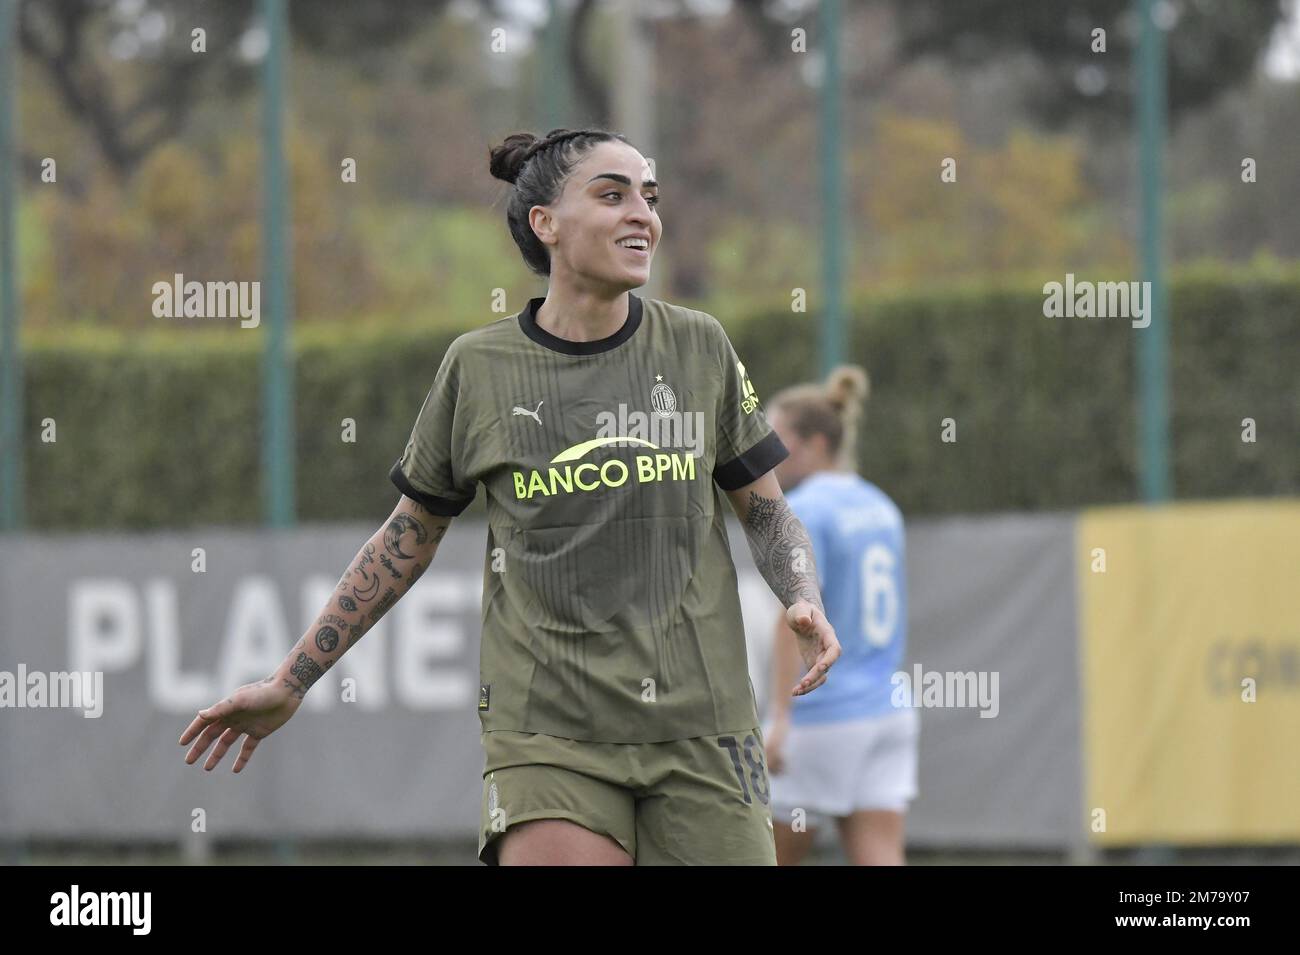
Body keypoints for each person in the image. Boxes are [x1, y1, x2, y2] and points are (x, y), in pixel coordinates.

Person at [178, 127, 841, 866]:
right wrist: (291, 677)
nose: (642, 215)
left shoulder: (700, 347)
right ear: (545, 224)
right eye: (612, 194)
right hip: (549, 730)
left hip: (704, 724)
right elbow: (407, 538)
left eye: (649, 199)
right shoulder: (479, 368)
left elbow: (768, 509)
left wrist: (801, 592)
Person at [762, 366, 917, 865]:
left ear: (811, 444)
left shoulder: (805, 509)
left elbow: (797, 618)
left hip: (822, 716)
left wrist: (779, 718)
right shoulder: (881, 504)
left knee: (768, 857)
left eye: (774, 437)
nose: (762, 451)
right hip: (888, 712)